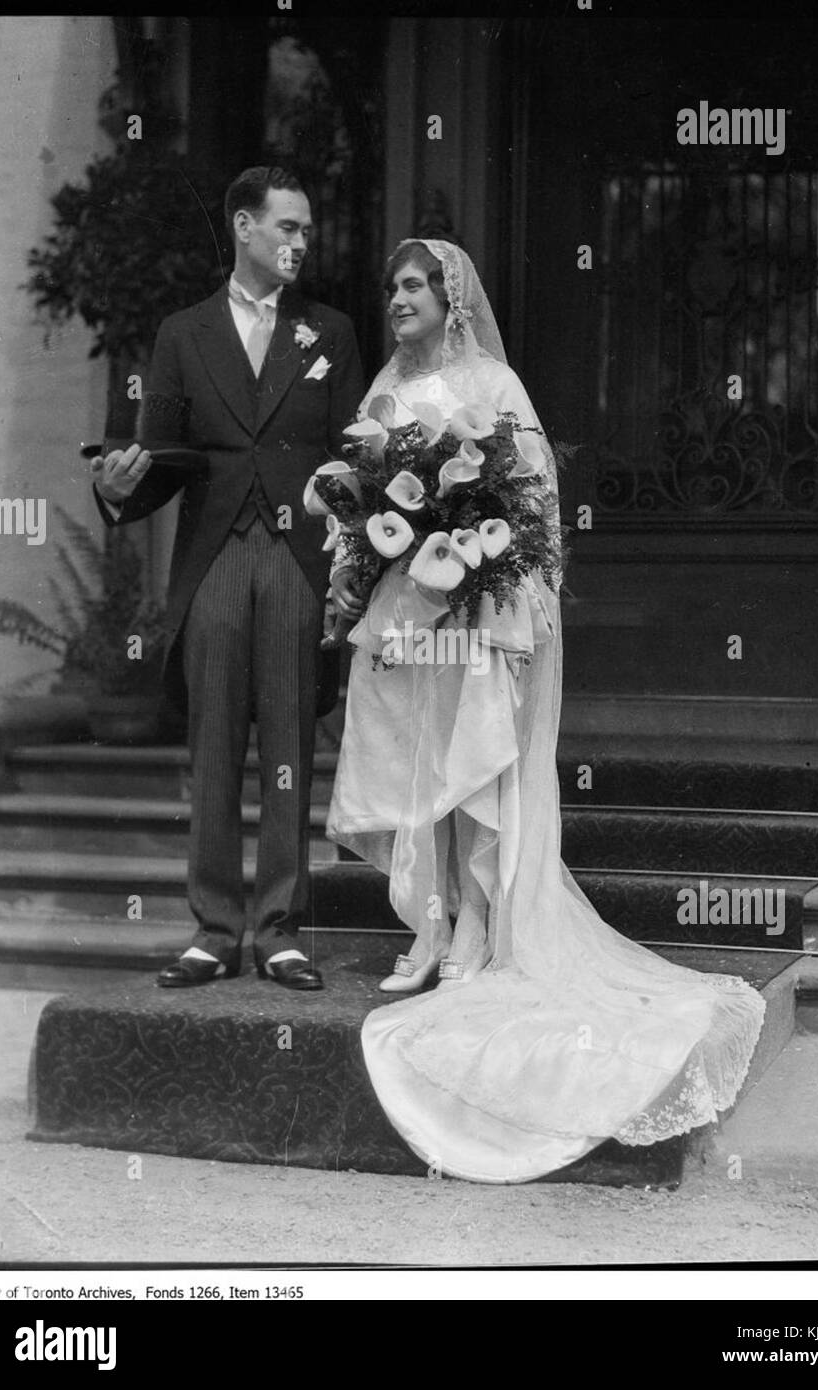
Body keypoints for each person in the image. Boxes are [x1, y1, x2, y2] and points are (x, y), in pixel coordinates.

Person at [326, 238, 765, 1182]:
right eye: (392, 284)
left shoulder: (497, 383)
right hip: (408, 611)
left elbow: (533, 509)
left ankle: (479, 924)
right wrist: (359, 556)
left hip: (476, 610)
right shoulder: (381, 395)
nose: (399, 298)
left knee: (466, 759)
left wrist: (508, 597)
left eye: (416, 286)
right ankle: (429, 922)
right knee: (410, 757)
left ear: (451, 298)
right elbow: (352, 502)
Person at [91, 166, 364, 991]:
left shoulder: (333, 331)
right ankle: (214, 930)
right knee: (213, 748)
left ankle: (279, 931)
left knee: (288, 746)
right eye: (287, 228)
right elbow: (161, 462)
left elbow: (356, 456)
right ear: (243, 228)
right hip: (212, 556)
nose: (300, 244)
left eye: (307, 231)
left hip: (296, 559)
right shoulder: (183, 334)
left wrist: (349, 564)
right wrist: (116, 488)